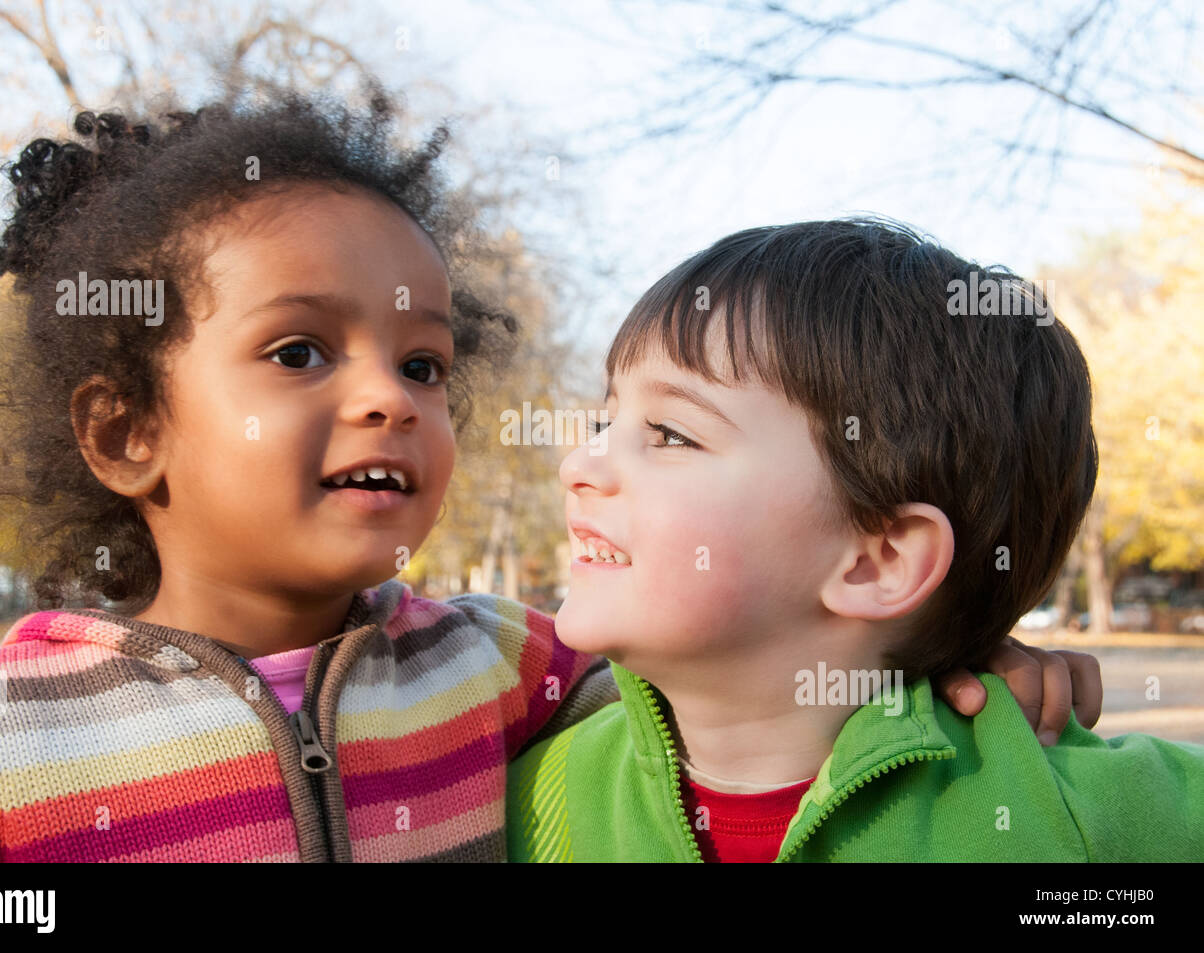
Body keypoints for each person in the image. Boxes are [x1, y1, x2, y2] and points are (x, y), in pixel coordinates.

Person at [0, 91, 1097, 862]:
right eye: (299, 350)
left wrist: (952, 644)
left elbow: (760, 656)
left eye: (423, 361)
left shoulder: (495, 662)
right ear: (126, 434)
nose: (389, 396)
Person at [507, 218, 1204, 862]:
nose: (579, 464)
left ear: (881, 559)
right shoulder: (528, 804)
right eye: (608, 421)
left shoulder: (1073, 810)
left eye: (670, 433)